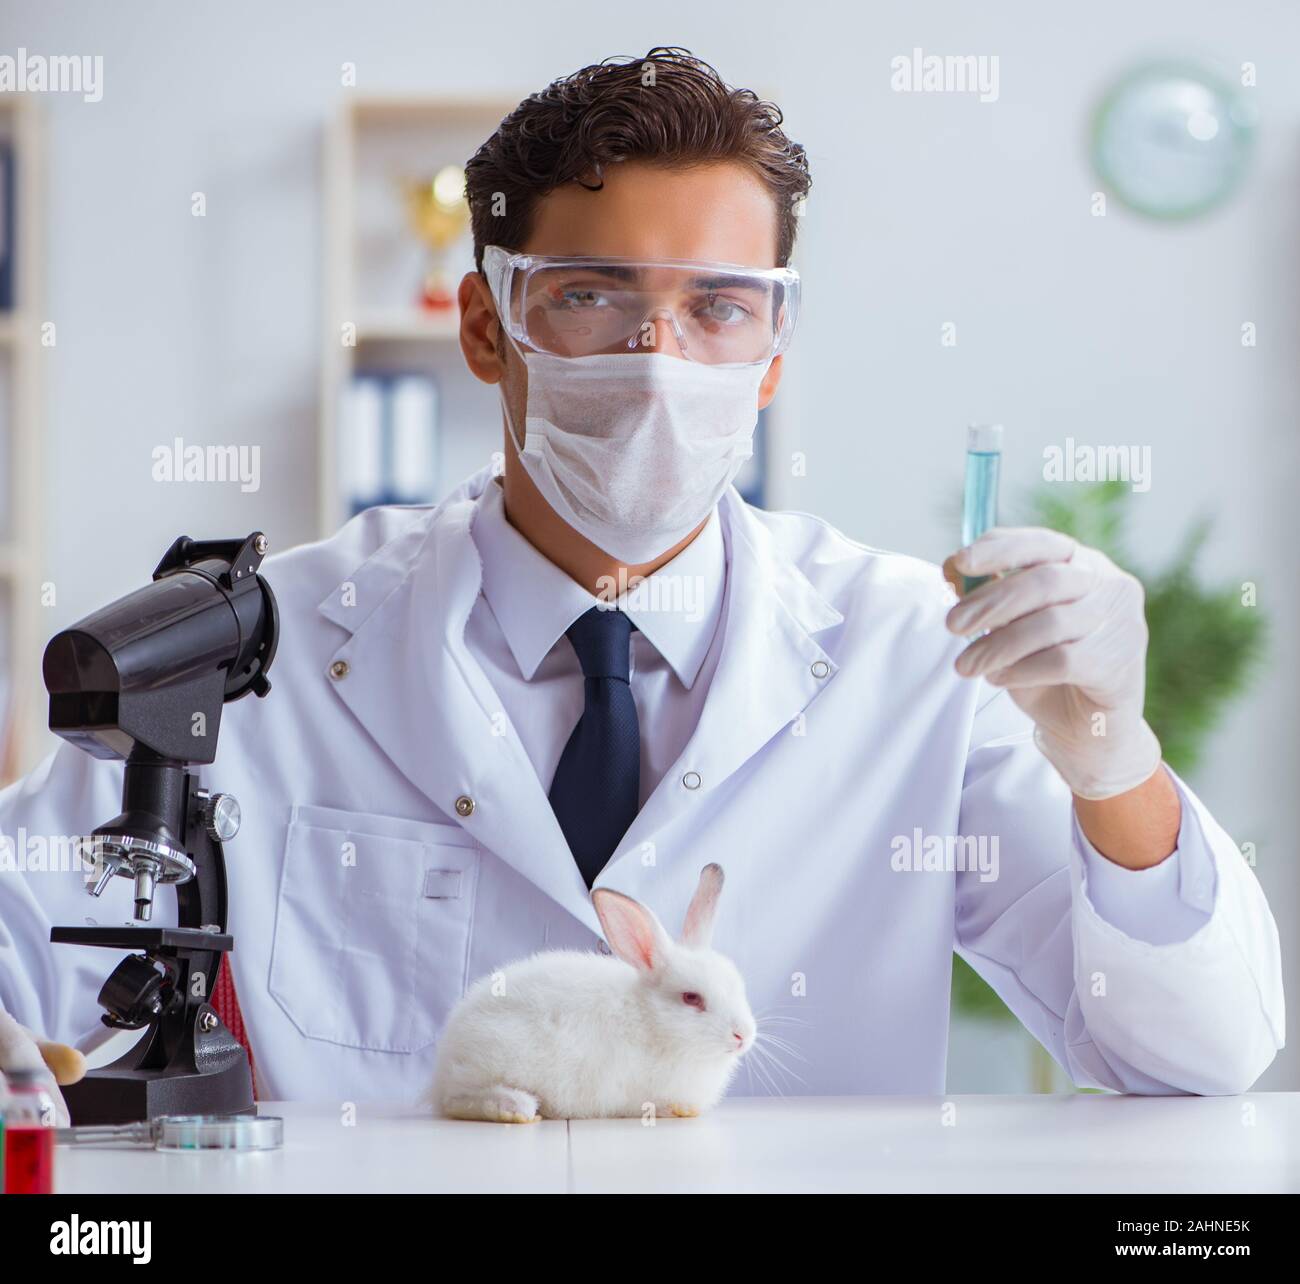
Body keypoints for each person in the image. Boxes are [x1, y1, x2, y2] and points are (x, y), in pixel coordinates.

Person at [0, 48, 1282, 1121]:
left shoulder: (909, 653)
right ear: (487, 324)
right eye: (593, 296)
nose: (658, 356)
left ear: (774, 349)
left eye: (720, 307)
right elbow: (22, 931)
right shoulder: (261, 647)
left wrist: (1114, 761)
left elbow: (1196, 1058)